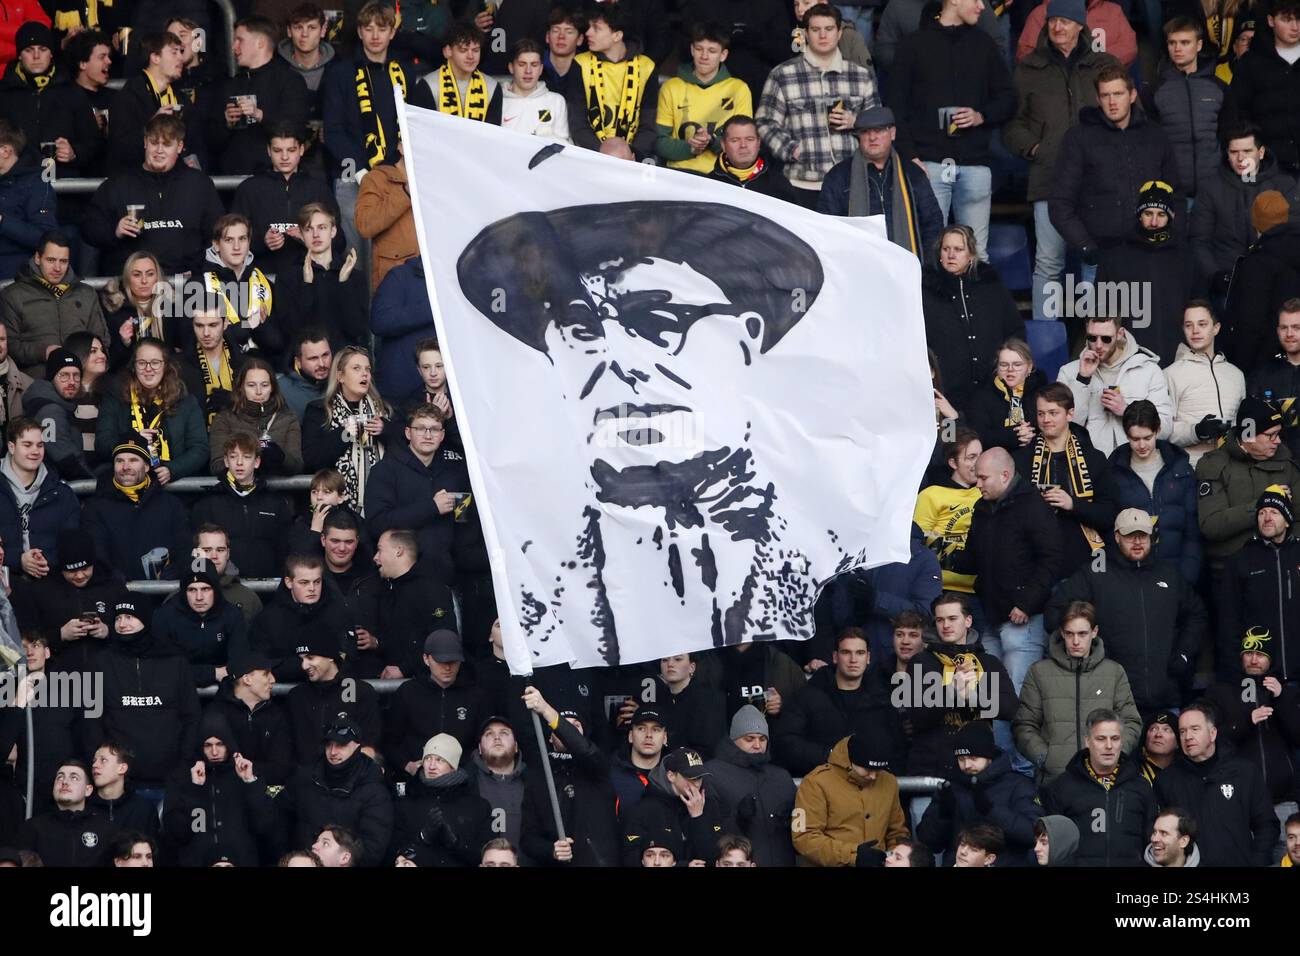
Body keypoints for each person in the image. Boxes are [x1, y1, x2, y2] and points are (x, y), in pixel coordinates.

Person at [1003, 0, 1121, 321]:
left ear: (1080, 25)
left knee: (1094, 261)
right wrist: (1035, 149)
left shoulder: (1103, 65)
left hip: (1097, 184)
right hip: (1049, 180)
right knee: (1048, 263)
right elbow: (1013, 124)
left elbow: (1123, 115)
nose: (1058, 27)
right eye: (1053, 20)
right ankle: (1045, 344)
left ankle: (1094, 339)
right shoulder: (1029, 68)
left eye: (1065, 22)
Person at [887, 0, 1014, 262]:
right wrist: (911, 156)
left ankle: (974, 305)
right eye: (976, 0)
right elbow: (896, 108)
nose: (982, 6)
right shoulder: (912, 46)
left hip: (975, 164)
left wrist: (982, 116)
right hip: (928, 165)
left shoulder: (984, 45)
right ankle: (933, 306)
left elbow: (1008, 98)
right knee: (931, 256)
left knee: (977, 257)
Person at [1047, 508, 1206, 713]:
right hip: (1114, 704)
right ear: (1117, 537)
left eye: (1143, 535)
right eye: (1131, 535)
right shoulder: (1096, 573)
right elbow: (1055, 612)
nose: (1138, 541)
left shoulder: (1168, 574)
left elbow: (1197, 614)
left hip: (1166, 700)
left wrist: (1183, 653)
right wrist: (1091, 653)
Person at [1050, 65, 1182, 270]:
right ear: (1097, 99)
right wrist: (1086, 246)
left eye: (1118, 94)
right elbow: (1060, 203)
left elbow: (1175, 194)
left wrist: (1169, 238)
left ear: (1132, 95)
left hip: (1152, 251)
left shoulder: (1156, 136)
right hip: (1101, 256)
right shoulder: (1078, 138)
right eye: (1105, 95)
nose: (1112, 102)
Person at [956, 447, 1062, 696]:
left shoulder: (1033, 506)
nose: (977, 483)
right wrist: (942, 554)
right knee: (990, 695)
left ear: (1004, 475)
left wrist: (1027, 602)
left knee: (1016, 697)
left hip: (1023, 620)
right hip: (990, 616)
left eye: (983, 478)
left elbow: (1052, 558)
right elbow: (974, 558)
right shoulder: (981, 508)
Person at [320, 2, 416, 276]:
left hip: (400, 177)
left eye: (382, 28)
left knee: (399, 255)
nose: (375, 35)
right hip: (354, 177)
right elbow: (333, 130)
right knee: (356, 260)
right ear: (359, 33)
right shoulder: (340, 73)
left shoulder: (405, 72)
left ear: (392, 33)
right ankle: (360, 318)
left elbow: (416, 125)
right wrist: (361, 171)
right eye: (368, 28)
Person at [757, 3, 880, 205]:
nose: (823, 35)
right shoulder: (783, 74)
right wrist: (791, 150)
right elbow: (765, 122)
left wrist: (855, 121)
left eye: (829, 29)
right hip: (801, 182)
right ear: (805, 34)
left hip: (851, 181)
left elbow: (877, 125)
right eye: (816, 30)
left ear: (839, 33)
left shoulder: (860, 76)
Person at [1013, 600, 1143, 783]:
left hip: (1104, 779)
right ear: (1061, 633)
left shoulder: (1114, 672)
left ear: (1094, 632)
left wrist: (1113, 754)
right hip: (1056, 780)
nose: (1075, 641)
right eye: (1069, 634)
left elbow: (1131, 721)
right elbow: (1023, 725)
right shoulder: (1039, 672)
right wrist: (1046, 758)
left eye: (1082, 634)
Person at [85, 112, 224, 278]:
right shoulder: (119, 183)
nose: (159, 150)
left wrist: (200, 271)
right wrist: (115, 231)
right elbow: (89, 227)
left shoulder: (199, 184)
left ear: (179, 147)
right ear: (145, 142)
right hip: (133, 286)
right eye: (153, 143)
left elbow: (218, 235)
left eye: (166, 144)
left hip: (185, 285)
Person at [91, 594, 201, 795]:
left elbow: (191, 715)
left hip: (171, 779)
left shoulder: (174, 660)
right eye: (117, 618)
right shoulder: (101, 662)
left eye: (129, 617)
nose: (122, 624)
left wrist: (184, 762)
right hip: (118, 783)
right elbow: (91, 718)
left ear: (145, 619)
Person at [1154, 700, 1278, 866]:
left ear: (1212, 734)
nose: (1188, 736)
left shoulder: (1244, 772)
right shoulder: (1167, 780)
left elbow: (1267, 825)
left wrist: (1256, 862)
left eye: (1195, 729)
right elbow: (1159, 835)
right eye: (1182, 731)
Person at [1205, 627, 1300, 841]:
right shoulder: (1222, 691)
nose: (1254, 659)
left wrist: (1282, 698)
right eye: (1248, 653)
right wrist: (1247, 722)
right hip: (1240, 801)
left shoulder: (1288, 691)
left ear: (1271, 657)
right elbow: (1213, 739)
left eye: (1260, 654)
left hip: (1283, 800)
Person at [922, 226, 1025, 415]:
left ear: (971, 254)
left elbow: (1015, 331)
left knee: (998, 442)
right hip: (946, 395)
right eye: (946, 249)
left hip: (993, 391)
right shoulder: (925, 290)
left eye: (958, 249)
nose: (951, 255)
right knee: (953, 441)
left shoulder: (990, 285)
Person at [1094, 181, 1195, 368]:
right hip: (1130, 361)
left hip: (1180, 360)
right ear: (1139, 215)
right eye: (1148, 213)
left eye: (1161, 214)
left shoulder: (1186, 256)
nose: (1154, 222)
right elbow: (1101, 309)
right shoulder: (1114, 256)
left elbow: (1197, 306)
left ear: (1171, 216)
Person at [363, 404, 465, 588]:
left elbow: (463, 521)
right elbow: (377, 523)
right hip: (401, 581)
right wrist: (432, 507)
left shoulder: (453, 473)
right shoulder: (385, 470)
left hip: (446, 578)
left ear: (442, 435)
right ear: (408, 433)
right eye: (420, 428)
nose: (428, 435)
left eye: (434, 429)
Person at [774, 628, 899, 775]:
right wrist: (831, 755)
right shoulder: (808, 696)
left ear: (868, 658)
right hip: (822, 785)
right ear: (835, 656)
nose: (853, 659)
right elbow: (787, 742)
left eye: (860, 653)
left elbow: (896, 745)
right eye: (846, 652)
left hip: (870, 787)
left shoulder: (882, 699)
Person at [1040, 708, 1158, 866]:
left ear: (1121, 742)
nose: (1109, 746)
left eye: (1115, 738)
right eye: (1101, 739)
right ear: (1087, 741)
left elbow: (1152, 843)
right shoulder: (1062, 787)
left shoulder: (1141, 786)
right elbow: (1055, 849)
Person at [519, 685, 621, 866]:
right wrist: (551, 849)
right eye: (564, 725)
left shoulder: (597, 767)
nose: (570, 731)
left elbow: (584, 750)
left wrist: (546, 710)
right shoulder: (539, 778)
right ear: (550, 737)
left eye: (576, 726)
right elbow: (528, 839)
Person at [274, 713, 394, 867]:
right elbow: (278, 822)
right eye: (329, 744)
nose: (333, 752)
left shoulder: (374, 790)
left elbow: (372, 851)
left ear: (357, 747)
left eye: (341, 745)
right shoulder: (304, 778)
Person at [1190, 126, 1296, 296]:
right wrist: (1215, 276)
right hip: (1226, 283)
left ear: (1261, 152)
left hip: (1275, 282)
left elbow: (1292, 237)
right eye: (1234, 152)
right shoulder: (1210, 188)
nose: (1240, 158)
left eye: (1247, 151)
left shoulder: (1285, 186)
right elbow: (1200, 240)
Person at [916, 721, 1039, 866]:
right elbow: (929, 842)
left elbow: (1033, 835)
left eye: (973, 758)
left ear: (989, 756)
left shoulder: (1018, 785)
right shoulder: (951, 787)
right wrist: (943, 814)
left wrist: (991, 811)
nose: (967, 765)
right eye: (961, 759)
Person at [161, 711, 274, 867]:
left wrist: (250, 782)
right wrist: (196, 789)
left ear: (229, 744)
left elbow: (263, 826)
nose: (214, 752)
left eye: (220, 744)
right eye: (208, 745)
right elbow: (179, 834)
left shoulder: (247, 775)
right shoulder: (182, 779)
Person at [1107, 400, 1203, 583]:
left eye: (1147, 437)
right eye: (1135, 439)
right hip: (1132, 579)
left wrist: (1186, 577)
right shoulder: (1113, 473)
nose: (1142, 445)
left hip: (1179, 574)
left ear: (1158, 430)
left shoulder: (1181, 469)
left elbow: (1193, 531)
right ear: (1126, 435)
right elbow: (1110, 533)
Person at [204, 16, 309, 175]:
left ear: (260, 43)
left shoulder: (290, 81)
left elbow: (297, 128)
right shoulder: (229, 85)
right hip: (231, 185)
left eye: (240, 40)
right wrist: (226, 123)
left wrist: (260, 115)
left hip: (274, 182)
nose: (234, 47)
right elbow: (210, 141)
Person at [303, 346, 400, 514]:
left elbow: (406, 450)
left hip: (383, 504)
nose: (365, 374)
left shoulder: (385, 410)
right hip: (337, 508)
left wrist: (385, 430)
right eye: (357, 368)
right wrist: (343, 435)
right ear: (340, 376)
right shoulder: (319, 411)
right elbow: (312, 459)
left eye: (367, 369)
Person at [792, 728, 909, 866]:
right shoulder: (815, 783)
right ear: (852, 761)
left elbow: (897, 832)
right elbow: (804, 838)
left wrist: (895, 859)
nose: (874, 776)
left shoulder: (889, 782)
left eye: (878, 770)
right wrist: (853, 856)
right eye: (868, 769)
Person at [94, 340, 207, 482]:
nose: (148, 369)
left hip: (173, 486)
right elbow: (102, 444)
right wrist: (133, 440)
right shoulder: (115, 398)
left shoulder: (185, 400)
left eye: (155, 362)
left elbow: (200, 448)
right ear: (134, 366)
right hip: (127, 483)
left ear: (165, 366)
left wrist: (173, 469)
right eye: (142, 363)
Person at [0, 231, 108, 379]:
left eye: (63, 261)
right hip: (37, 380)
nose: (57, 268)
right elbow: (9, 345)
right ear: (38, 258)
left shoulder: (86, 293)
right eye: (51, 260)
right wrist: (43, 352)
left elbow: (103, 340)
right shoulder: (13, 295)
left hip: (82, 379)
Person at [0, 21, 100, 181]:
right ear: (19, 54)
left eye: (43, 49)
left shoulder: (73, 92)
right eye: (29, 50)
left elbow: (93, 143)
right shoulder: (3, 94)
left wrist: (74, 152)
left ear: (51, 53)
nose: (36, 56)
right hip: (14, 188)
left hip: (64, 191)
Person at [1219, 491, 1300, 683]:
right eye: (1262, 512)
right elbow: (1228, 621)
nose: (1267, 518)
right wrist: (1236, 672)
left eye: (1274, 512)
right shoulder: (1240, 560)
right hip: (1259, 677)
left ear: (1288, 521)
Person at [702, 705, 797, 867]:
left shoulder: (781, 776)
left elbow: (802, 830)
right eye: (749, 739)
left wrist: (791, 822)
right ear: (733, 739)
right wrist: (738, 818)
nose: (757, 745)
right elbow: (707, 829)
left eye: (762, 739)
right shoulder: (712, 773)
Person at [1144, 17, 1226, 200]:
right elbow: (1150, 142)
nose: (1177, 48)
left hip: (1214, 191)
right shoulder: (1155, 89)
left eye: (1185, 42)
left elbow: (1228, 137)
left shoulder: (1218, 87)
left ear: (1199, 45)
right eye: (1172, 43)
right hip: (1172, 193)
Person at [384, 628, 484, 779]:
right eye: (441, 661)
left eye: (453, 661)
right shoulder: (408, 693)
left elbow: (481, 743)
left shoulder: (474, 695)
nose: (447, 667)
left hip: (463, 778)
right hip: (417, 779)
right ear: (426, 659)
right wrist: (407, 765)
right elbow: (389, 739)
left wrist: (467, 769)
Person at [564, 5, 659, 161]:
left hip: (633, 158)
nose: (588, 33)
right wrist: (604, 156)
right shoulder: (580, 64)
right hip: (591, 157)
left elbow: (648, 126)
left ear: (617, 35)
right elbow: (578, 124)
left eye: (596, 28)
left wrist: (629, 155)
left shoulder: (647, 66)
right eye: (589, 27)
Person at [655, 23, 751, 173]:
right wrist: (690, 147)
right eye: (699, 49)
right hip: (678, 174)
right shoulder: (671, 87)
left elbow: (743, 146)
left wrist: (712, 141)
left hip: (724, 176)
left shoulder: (739, 89)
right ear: (692, 50)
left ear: (723, 55)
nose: (704, 56)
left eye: (712, 51)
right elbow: (659, 142)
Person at [273, 202, 368, 353]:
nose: (316, 235)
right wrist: (307, 284)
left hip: (344, 364)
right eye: (308, 229)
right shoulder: (287, 277)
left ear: (333, 231)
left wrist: (343, 283)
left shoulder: (354, 277)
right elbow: (292, 332)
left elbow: (357, 330)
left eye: (322, 228)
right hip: (305, 367)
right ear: (301, 235)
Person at [1218, 0, 1300, 175]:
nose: (1295, 26)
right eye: (1286, 19)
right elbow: (1237, 117)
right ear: (1271, 21)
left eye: (1299, 19)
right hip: (1268, 168)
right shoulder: (1250, 63)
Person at [388, 733, 493, 867]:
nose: (431, 766)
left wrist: (456, 843)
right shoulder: (406, 802)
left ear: (453, 765)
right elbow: (392, 852)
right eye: (427, 759)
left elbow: (487, 857)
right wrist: (422, 837)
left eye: (440, 760)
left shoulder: (478, 806)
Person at [1223, 191, 1300, 374]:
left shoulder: (1256, 264)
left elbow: (1251, 324)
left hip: (1264, 367)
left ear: (1255, 221)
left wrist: (1240, 369)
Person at [251, 552, 356, 685]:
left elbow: (349, 658)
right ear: (289, 582)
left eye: (317, 582)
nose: (312, 588)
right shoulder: (267, 619)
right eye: (304, 583)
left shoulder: (338, 613)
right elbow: (262, 664)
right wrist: (313, 664)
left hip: (337, 690)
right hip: (285, 698)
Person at [620, 745, 734, 866]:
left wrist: (698, 818)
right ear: (671, 776)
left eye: (699, 777)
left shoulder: (709, 804)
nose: (696, 784)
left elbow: (715, 858)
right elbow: (631, 859)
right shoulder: (645, 809)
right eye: (690, 777)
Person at [105, 30, 200, 173]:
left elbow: (196, 145)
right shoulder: (128, 97)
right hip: (137, 186)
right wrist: (152, 124)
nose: (181, 58)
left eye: (181, 52)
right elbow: (119, 149)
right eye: (174, 52)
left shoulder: (182, 100)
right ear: (155, 57)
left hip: (175, 185)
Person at [1164, 302, 1245, 467]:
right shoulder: (1170, 374)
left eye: (1202, 324)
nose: (1195, 331)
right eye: (1189, 325)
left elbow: (1243, 426)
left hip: (1231, 470)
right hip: (1189, 470)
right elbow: (1161, 430)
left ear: (1216, 328)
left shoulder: (1236, 375)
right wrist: (1197, 431)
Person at [285, 630, 382, 767]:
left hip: (351, 780)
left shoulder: (360, 692)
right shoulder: (296, 697)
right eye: (302, 659)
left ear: (330, 656)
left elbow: (370, 745)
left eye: (310, 658)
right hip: (307, 782)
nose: (304, 665)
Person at [0, 417, 80, 581]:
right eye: (27, 445)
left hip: (50, 581)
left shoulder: (62, 493)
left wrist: (45, 562)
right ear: (11, 447)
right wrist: (18, 560)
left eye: (40, 445)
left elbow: (72, 543)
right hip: (5, 582)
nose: (35, 451)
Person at [196, 214, 282, 364]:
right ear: (216, 244)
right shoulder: (199, 285)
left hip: (262, 372)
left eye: (242, 239)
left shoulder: (265, 283)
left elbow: (277, 342)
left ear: (249, 242)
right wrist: (250, 324)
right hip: (219, 372)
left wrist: (233, 329)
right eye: (229, 240)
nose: (237, 247)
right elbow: (200, 342)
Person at [152, 558, 250, 687]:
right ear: (183, 591)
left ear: (215, 589)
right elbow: (164, 670)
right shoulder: (164, 616)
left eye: (206, 589)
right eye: (192, 590)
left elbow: (238, 665)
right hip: (176, 693)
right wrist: (213, 673)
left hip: (223, 694)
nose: (199, 597)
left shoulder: (232, 615)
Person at [205, 650, 294, 786]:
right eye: (266, 674)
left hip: (264, 795)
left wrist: (247, 772)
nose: (273, 680)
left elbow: (281, 769)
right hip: (226, 796)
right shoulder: (215, 714)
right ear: (247, 679)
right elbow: (213, 767)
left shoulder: (277, 715)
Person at [207, 357, 304, 476]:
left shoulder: (288, 419)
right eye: (251, 385)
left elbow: (297, 466)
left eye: (264, 385)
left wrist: (280, 456)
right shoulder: (224, 419)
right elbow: (217, 466)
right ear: (241, 388)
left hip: (276, 491)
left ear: (272, 387)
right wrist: (248, 461)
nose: (258, 392)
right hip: (236, 492)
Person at [13, 760, 115, 867]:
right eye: (60, 777)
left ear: (88, 790)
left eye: (74, 778)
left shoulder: (106, 830)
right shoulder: (32, 828)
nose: (65, 782)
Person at [408, 22, 503, 124]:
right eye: (463, 50)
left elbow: (492, 134)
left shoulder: (492, 87)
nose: (470, 56)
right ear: (447, 51)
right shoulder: (428, 85)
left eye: (475, 50)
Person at [19, 349, 93, 479]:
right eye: (64, 375)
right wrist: (91, 482)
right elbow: (63, 457)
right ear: (52, 378)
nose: (71, 382)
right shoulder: (50, 410)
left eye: (76, 375)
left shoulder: (62, 404)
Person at [97, 252, 178, 370]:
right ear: (127, 279)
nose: (144, 281)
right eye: (137, 275)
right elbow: (110, 363)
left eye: (150, 274)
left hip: (167, 375)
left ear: (158, 277)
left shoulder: (172, 308)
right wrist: (123, 342)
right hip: (128, 379)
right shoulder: (114, 311)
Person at [370, 262, 435, 406]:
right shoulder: (401, 276)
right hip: (400, 392)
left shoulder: (462, 278)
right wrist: (433, 307)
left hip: (445, 391)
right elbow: (380, 321)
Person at [0, 118, 56, 283]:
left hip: (16, 276)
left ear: (5, 151)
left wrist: (3, 221)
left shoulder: (37, 185)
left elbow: (46, 238)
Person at [1017, 0, 1138, 66]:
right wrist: (1061, 65)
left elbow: (1129, 48)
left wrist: (1091, 63)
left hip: (1105, 85)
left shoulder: (1112, 11)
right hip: (1056, 89)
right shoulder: (1041, 13)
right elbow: (1025, 53)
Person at [468, 716, 527, 851]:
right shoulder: (465, 783)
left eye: (504, 733)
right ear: (480, 748)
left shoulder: (533, 783)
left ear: (516, 746)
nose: (497, 738)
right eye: (489, 734)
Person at [1249, 303, 1300, 459]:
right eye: (1284, 328)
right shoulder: (1262, 374)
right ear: (1278, 331)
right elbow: (1247, 429)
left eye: (1296, 327)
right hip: (1273, 467)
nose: (1289, 333)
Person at [499, 38, 572, 143]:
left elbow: (565, 148)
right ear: (511, 67)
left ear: (541, 69)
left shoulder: (556, 101)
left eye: (534, 65)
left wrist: (548, 136)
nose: (528, 71)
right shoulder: (497, 100)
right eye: (522, 64)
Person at [193, 524, 264, 625]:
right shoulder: (178, 599)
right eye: (207, 550)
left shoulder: (249, 599)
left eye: (220, 550)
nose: (214, 556)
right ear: (196, 554)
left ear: (228, 553)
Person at [705, 114, 789, 196]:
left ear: (758, 143)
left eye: (749, 139)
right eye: (735, 140)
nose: (743, 145)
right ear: (723, 145)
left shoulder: (779, 185)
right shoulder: (709, 184)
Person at [278, 329, 332, 421]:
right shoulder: (281, 389)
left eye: (325, 355)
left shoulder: (342, 382)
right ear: (298, 362)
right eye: (313, 358)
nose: (322, 364)